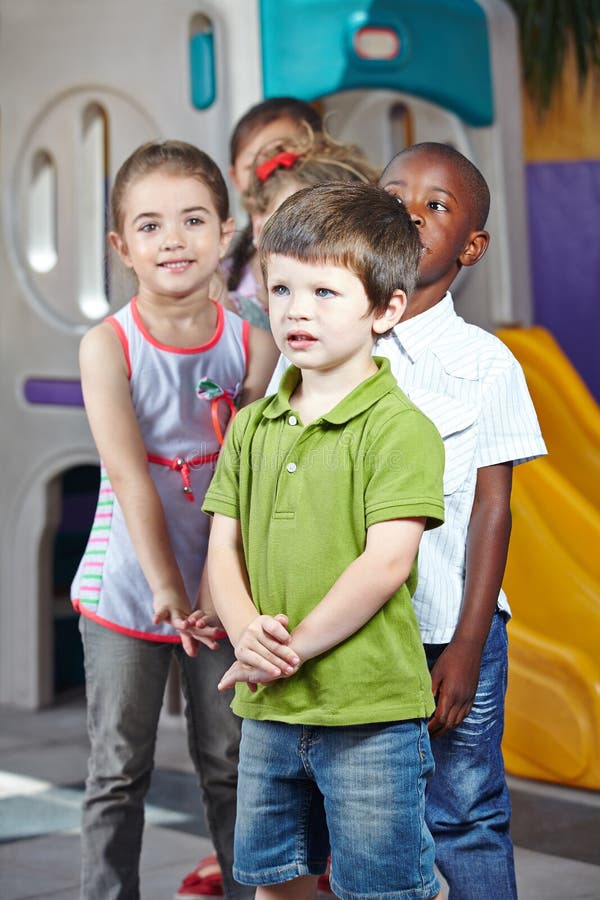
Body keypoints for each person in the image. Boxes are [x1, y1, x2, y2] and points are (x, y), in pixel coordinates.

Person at [198, 181, 446, 900]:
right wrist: (246, 636)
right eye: (281, 289)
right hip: (269, 710)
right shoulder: (251, 427)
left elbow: (386, 562)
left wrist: (291, 649)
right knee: (276, 881)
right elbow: (222, 549)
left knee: (383, 889)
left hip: (368, 715)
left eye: (324, 292)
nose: (295, 310)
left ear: (385, 309)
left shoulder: (401, 429)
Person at [71, 140, 276, 900]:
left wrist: (219, 588)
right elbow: (130, 476)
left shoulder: (253, 342)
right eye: (149, 225)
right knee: (119, 768)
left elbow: (249, 476)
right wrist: (165, 585)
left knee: (231, 761)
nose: (173, 240)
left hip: (224, 582)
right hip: (130, 584)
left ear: (225, 232)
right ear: (122, 246)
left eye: (193, 220)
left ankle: (250, 887)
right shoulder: (107, 346)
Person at [374, 142, 547, 898]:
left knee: (465, 814)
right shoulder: (325, 340)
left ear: (471, 247)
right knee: (364, 819)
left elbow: (492, 509)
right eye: (394, 198)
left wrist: (469, 646)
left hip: (447, 626)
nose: (410, 215)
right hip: (351, 633)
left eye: (435, 206)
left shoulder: (485, 363)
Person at [217, 97, 324, 327]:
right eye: (252, 166)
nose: (269, 173)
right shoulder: (223, 276)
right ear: (235, 178)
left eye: (283, 158)